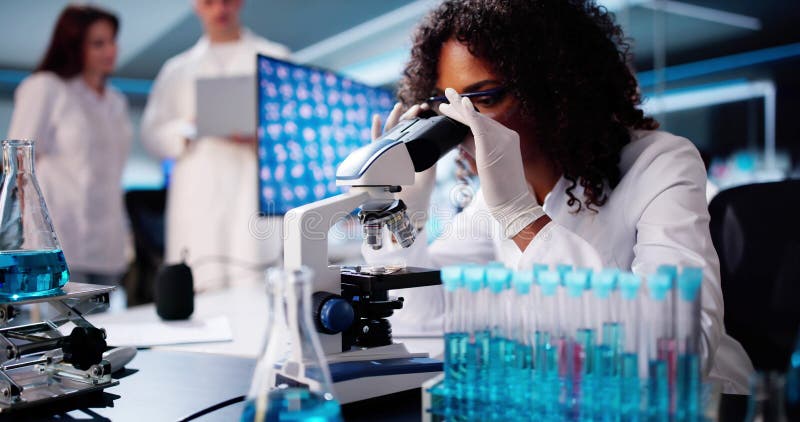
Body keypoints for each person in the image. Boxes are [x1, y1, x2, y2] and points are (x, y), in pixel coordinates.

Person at [365, 0, 753, 394]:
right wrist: (401, 215)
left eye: (484, 98)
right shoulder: (494, 199)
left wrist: (523, 219)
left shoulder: (660, 162)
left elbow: (682, 352)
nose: (463, 126)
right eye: (448, 108)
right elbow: (422, 325)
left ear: (553, 90)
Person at [141, 0, 289, 290]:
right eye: (210, 2)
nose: (220, 9)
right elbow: (151, 135)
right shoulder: (176, 70)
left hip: (253, 196)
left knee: (258, 286)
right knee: (202, 290)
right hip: (199, 199)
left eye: (227, 1)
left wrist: (261, 133)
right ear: (196, 6)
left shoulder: (275, 57)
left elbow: (295, 129)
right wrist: (189, 127)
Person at [7, 5, 132, 287]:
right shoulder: (47, 87)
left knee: (103, 328)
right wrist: (18, 239)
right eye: (98, 43)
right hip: (61, 239)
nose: (110, 50)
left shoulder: (117, 101)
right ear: (74, 46)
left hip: (109, 243)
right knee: (61, 328)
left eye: (112, 41)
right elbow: (17, 166)